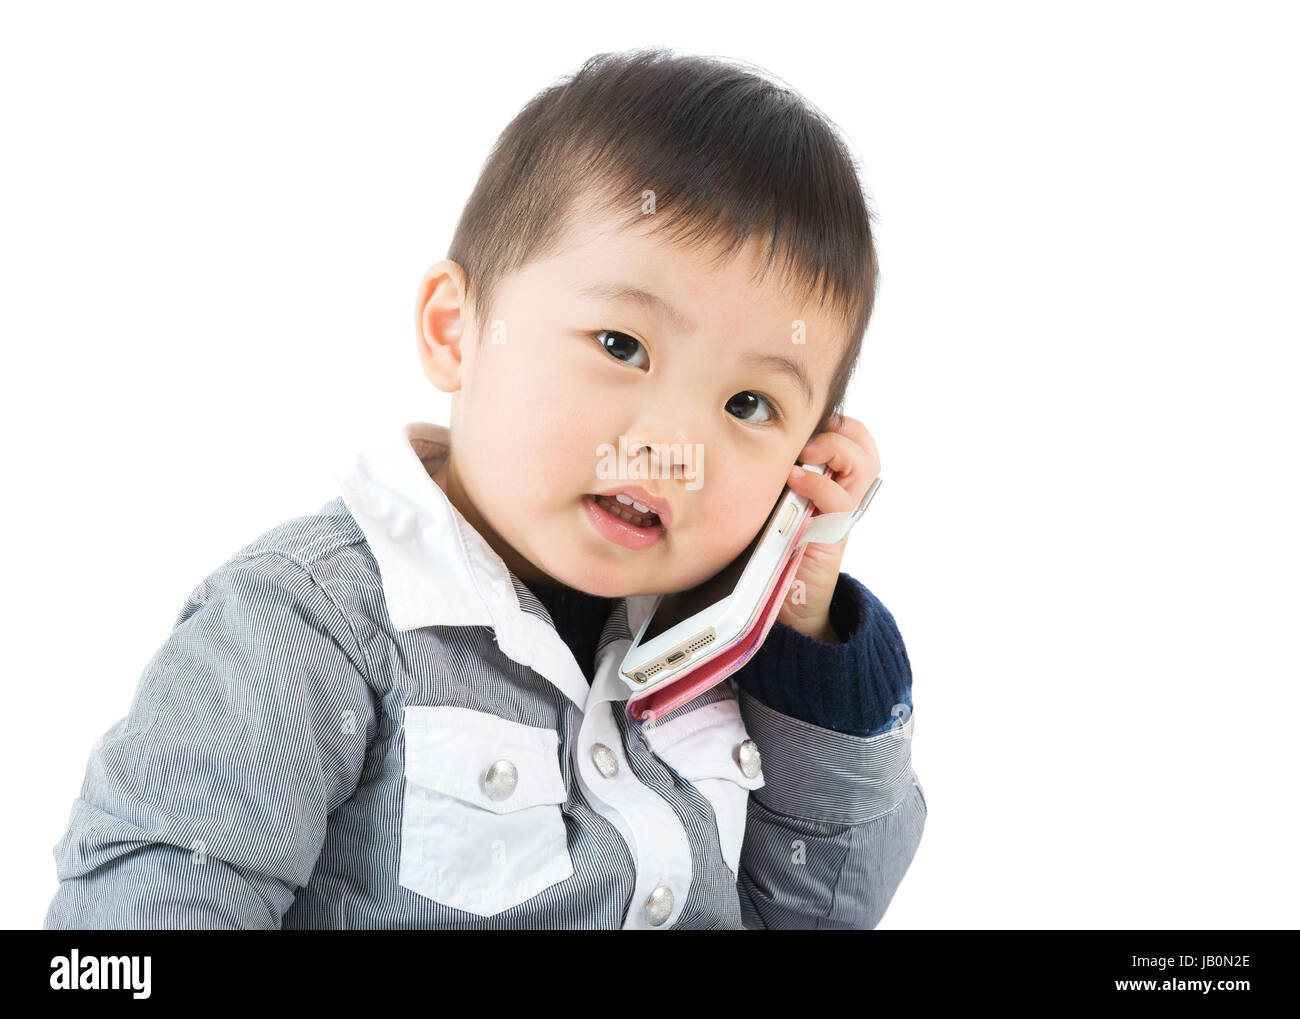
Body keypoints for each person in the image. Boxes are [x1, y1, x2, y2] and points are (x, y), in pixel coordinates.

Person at [44, 47, 926, 930]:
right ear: (455, 331)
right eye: (622, 346)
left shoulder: (716, 650)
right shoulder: (314, 624)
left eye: (748, 403)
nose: (673, 448)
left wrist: (803, 612)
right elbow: (152, 900)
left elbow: (819, 912)